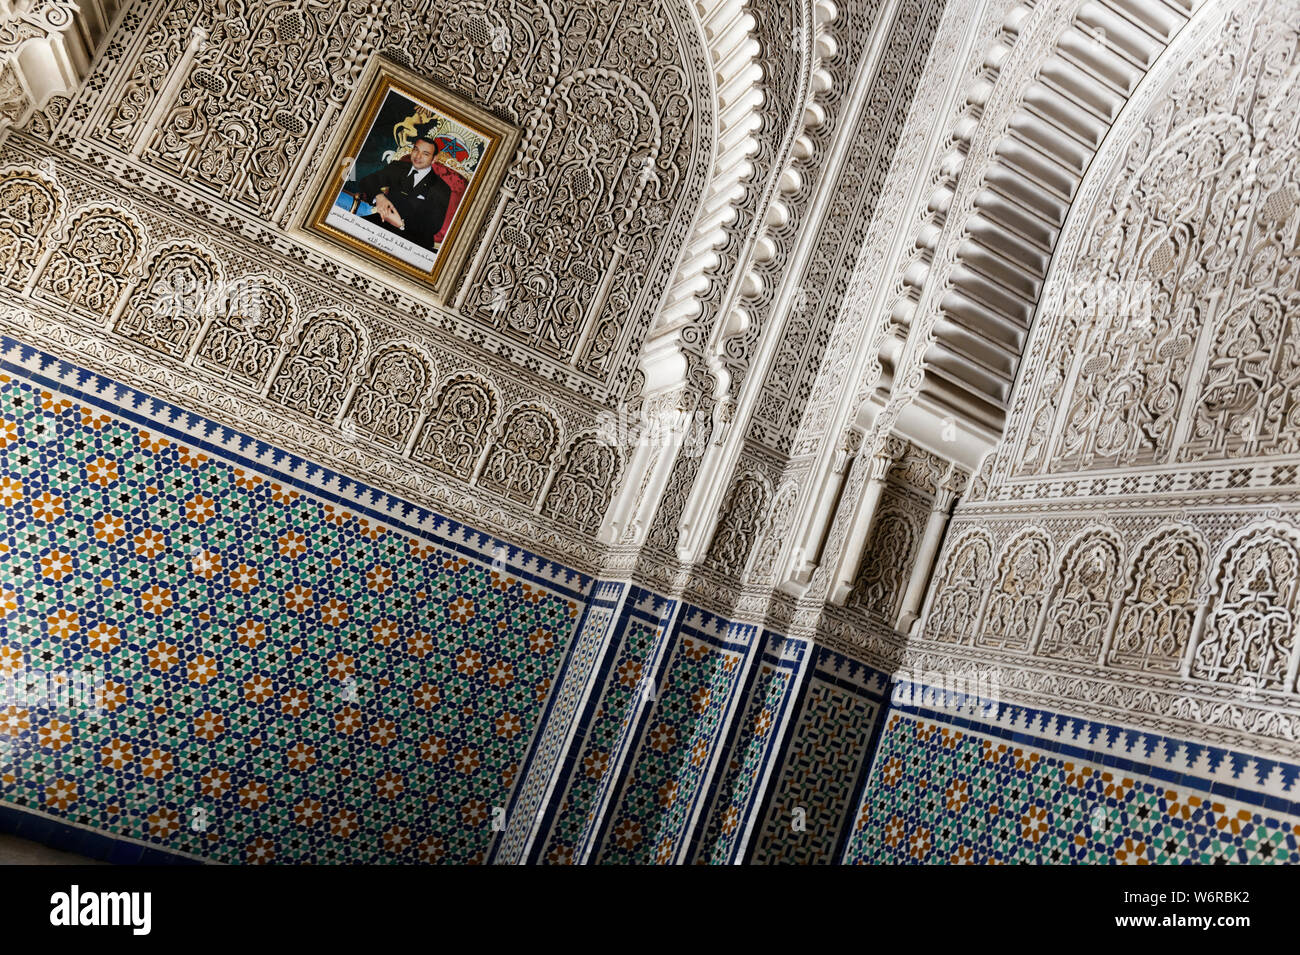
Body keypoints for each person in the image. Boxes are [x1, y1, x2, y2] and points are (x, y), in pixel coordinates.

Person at [349, 133, 451, 252]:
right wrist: (379, 197)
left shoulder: (442, 188)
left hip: (415, 237)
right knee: (349, 232)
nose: (418, 156)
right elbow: (368, 181)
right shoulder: (397, 167)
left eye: (425, 154)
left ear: (434, 159)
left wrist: (401, 224)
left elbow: (433, 225)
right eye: (416, 150)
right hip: (382, 222)